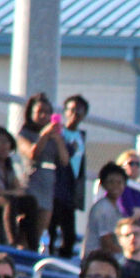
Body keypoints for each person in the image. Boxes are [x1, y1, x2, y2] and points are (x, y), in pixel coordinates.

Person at [15, 92, 67, 248]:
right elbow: (32, 154)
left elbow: (64, 161)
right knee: (26, 228)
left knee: (39, 230)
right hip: (32, 180)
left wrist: (57, 139)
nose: (44, 115)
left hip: (48, 182)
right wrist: (43, 135)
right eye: (39, 112)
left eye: (47, 112)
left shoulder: (55, 136)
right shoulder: (24, 134)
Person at [49, 94, 89, 257]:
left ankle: (63, 260)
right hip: (57, 185)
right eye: (71, 110)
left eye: (79, 112)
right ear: (65, 111)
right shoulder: (59, 132)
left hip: (71, 188)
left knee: (69, 234)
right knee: (51, 227)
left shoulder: (81, 136)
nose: (75, 115)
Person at [82, 162, 127, 260]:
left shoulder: (115, 207)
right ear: (103, 184)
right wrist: (127, 251)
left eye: (119, 182)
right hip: (95, 259)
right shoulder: (102, 208)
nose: (115, 186)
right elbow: (107, 244)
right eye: (111, 182)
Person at [114, 150, 140, 230]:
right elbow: (126, 212)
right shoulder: (118, 186)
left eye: (138, 164)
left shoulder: (136, 189)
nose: (135, 167)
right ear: (121, 166)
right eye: (131, 163)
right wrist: (139, 214)